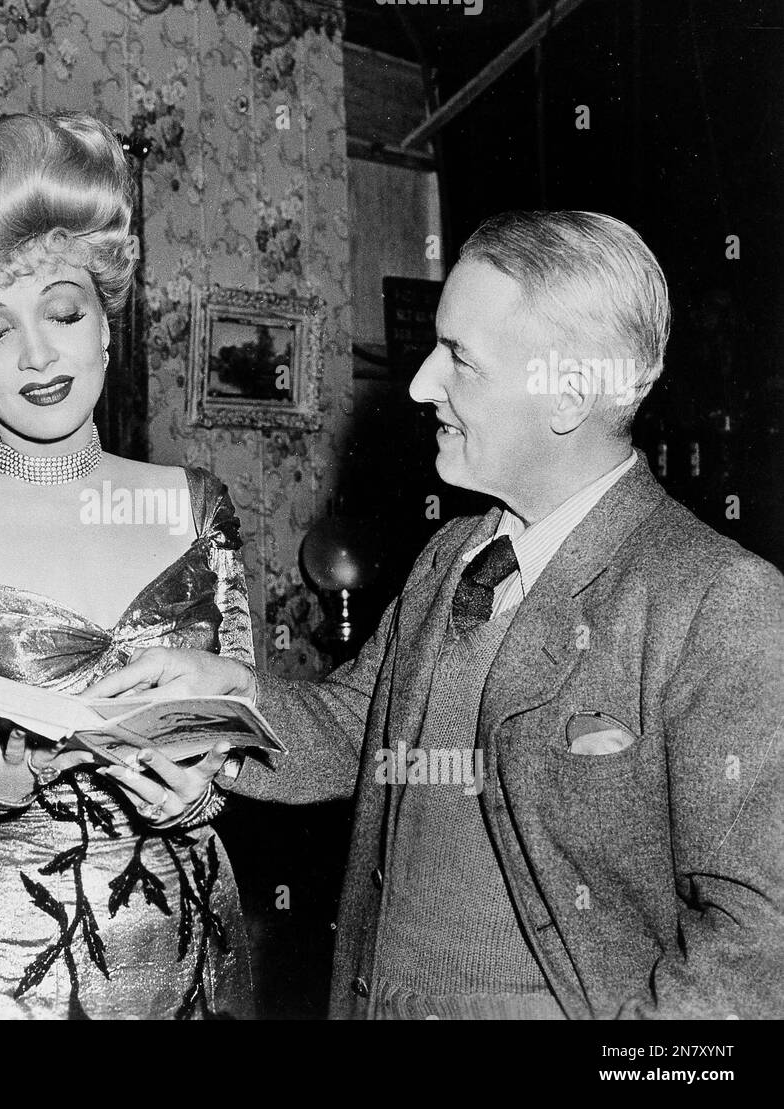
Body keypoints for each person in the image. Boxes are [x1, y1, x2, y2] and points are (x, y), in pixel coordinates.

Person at [90, 210, 784, 1019]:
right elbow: (360, 727)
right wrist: (222, 699)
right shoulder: (453, 551)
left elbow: (756, 947)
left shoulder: (719, 602)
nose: (420, 385)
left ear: (567, 396)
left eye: (459, 357)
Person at [0, 111, 253, 1019]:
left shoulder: (195, 504)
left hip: (198, 938)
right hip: (10, 957)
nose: (37, 354)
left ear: (106, 323)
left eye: (64, 313)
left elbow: (246, 728)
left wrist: (200, 795)